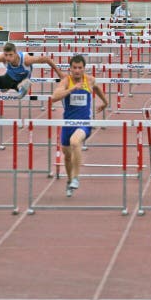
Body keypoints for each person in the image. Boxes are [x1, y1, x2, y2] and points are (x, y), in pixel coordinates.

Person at [51, 55, 108, 197]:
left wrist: (105, 102)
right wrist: (71, 90)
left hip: (84, 123)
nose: (77, 71)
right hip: (67, 123)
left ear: (84, 68)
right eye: (74, 68)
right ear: (70, 69)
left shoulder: (89, 80)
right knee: (67, 156)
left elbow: (97, 88)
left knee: (75, 142)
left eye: (80, 68)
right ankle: (69, 180)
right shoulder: (66, 81)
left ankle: (76, 178)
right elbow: (54, 97)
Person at [0, 42, 64, 99]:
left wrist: (59, 73)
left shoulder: (26, 59)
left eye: (10, 55)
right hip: (9, 77)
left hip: (22, 81)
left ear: (16, 53)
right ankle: (6, 86)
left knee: (20, 93)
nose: (8, 58)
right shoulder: (3, 57)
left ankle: (20, 87)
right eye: (6, 55)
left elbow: (46, 59)